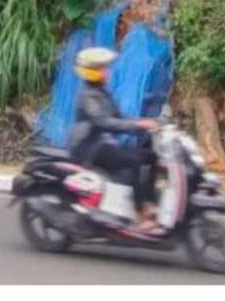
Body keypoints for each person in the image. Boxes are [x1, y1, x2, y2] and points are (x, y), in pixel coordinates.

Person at [67, 46, 162, 231]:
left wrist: (145, 123)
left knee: (150, 157)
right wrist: (137, 126)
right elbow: (104, 122)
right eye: (103, 68)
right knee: (134, 163)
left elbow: (119, 117)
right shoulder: (87, 96)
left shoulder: (102, 93)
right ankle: (140, 214)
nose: (107, 72)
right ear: (92, 72)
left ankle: (149, 203)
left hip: (100, 143)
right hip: (88, 148)